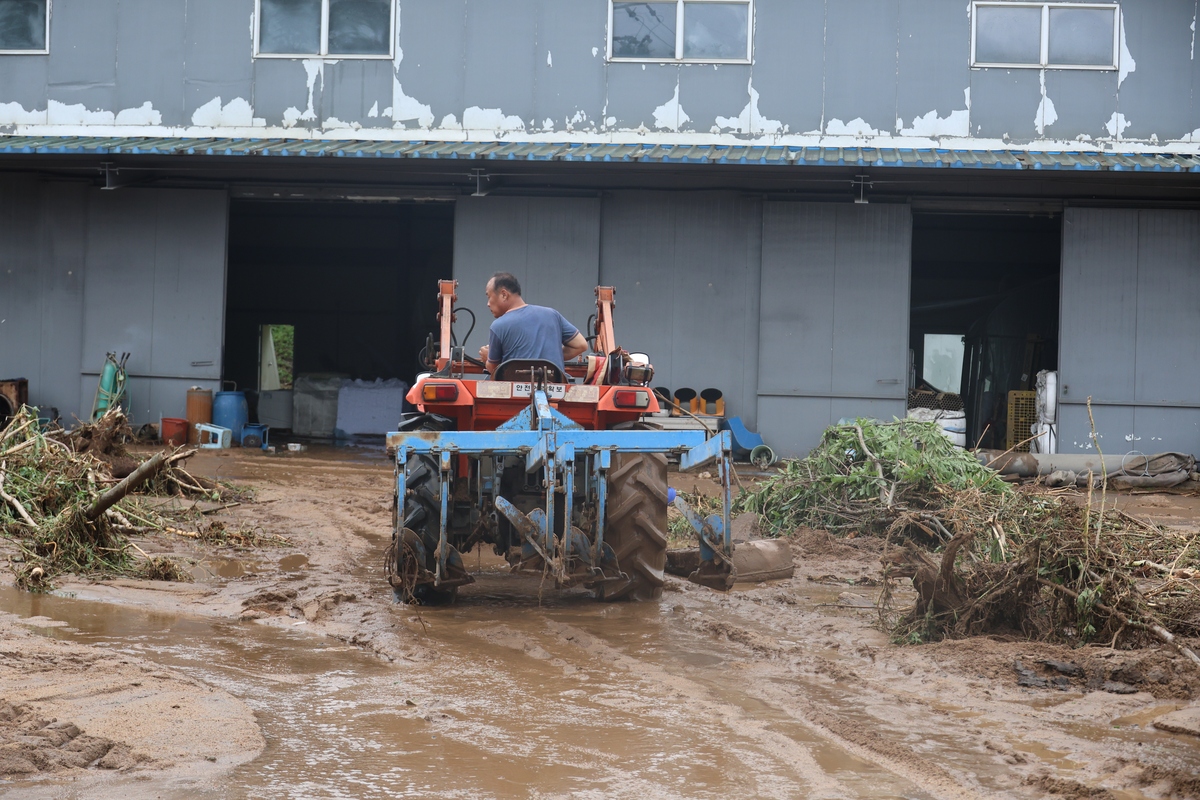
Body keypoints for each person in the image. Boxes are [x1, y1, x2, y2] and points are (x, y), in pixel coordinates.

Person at [478, 272, 588, 375]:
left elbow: (494, 369)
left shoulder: (498, 326)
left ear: (504, 294)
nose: (488, 304)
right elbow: (580, 345)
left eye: (489, 297)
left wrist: (488, 359)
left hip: (518, 393)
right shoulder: (552, 314)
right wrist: (549, 357)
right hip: (556, 389)